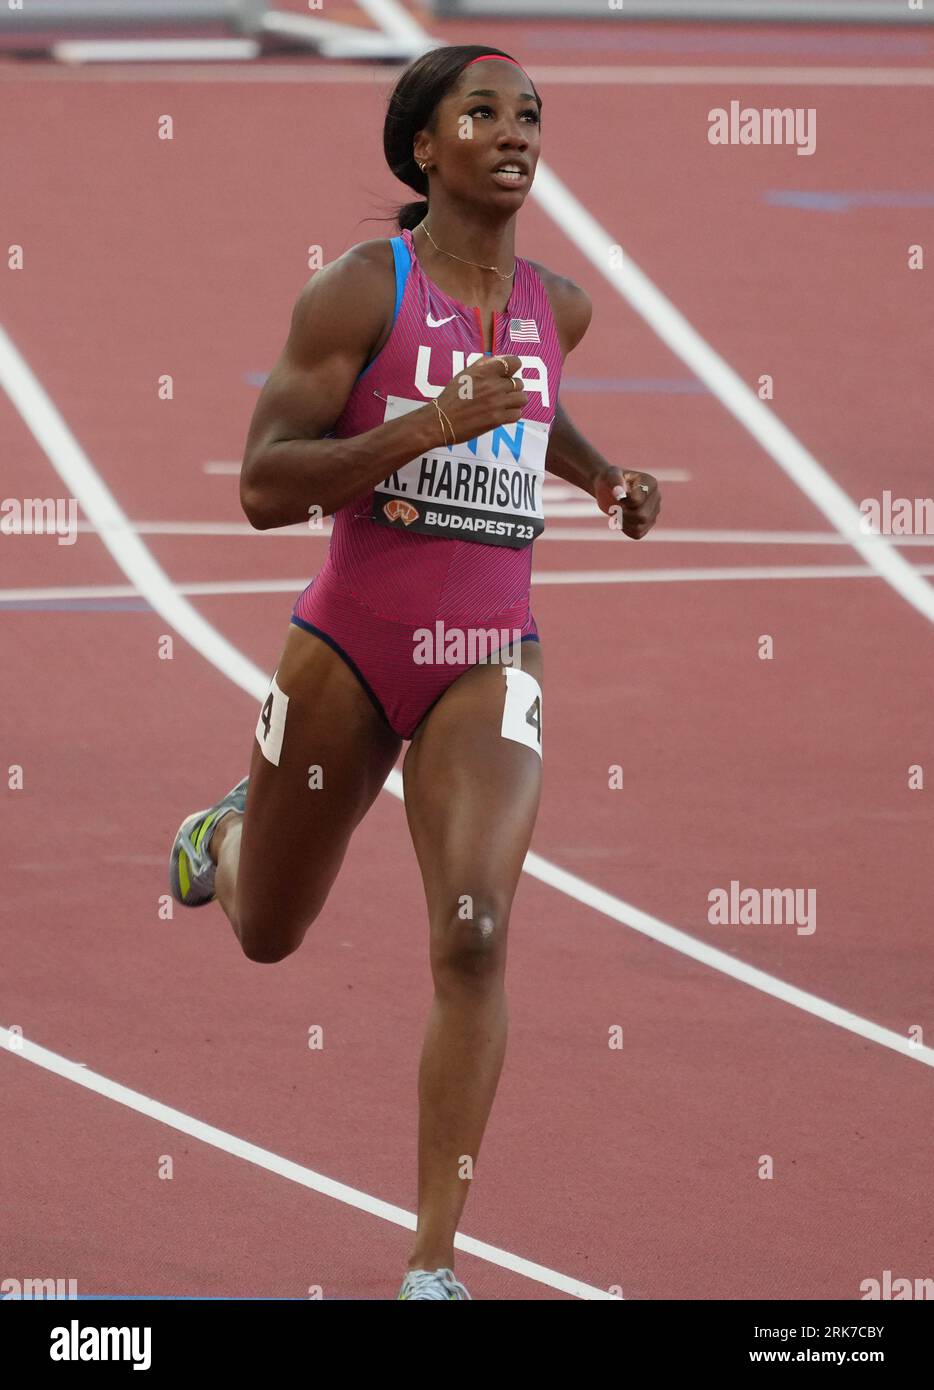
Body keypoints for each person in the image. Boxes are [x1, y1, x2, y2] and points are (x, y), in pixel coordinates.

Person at [168, 43, 660, 1302]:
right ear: (423, 149)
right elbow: (264, 486)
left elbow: (531, 406)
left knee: (476, 932)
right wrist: (430, 424)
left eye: (530, 114)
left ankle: (432, 1262)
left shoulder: (564, 304)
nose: (514, 131)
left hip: (490, 654)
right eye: (481, 113)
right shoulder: (358, 292)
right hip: (347, 647)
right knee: (268, 932)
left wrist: (600, 478)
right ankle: (226, 834)